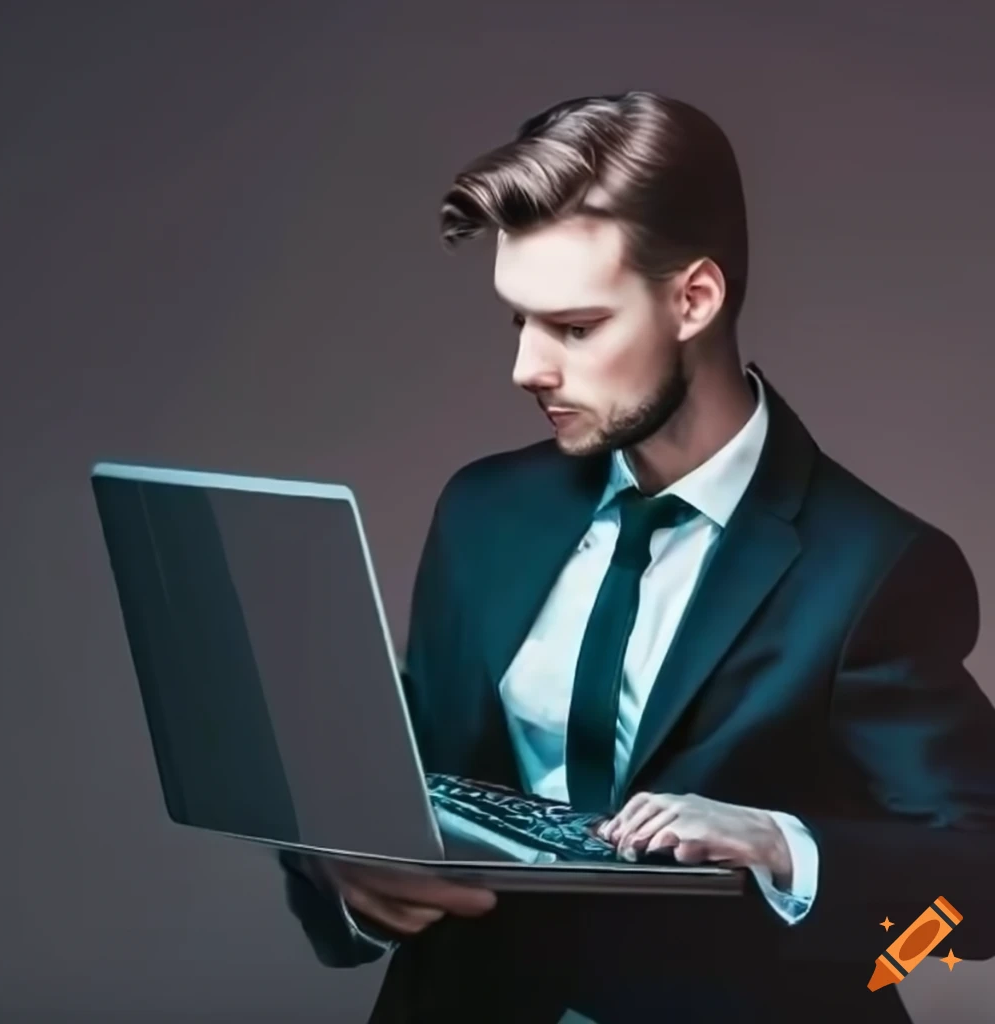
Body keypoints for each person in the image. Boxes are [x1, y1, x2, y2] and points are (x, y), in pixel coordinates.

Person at [278, 91, 995, 1023]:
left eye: (574, 328)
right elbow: (403, 780)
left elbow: (976, 888)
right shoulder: (483, 510)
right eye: (517, 323)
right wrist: (343, 871)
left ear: (694, 298)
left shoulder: (873, 567)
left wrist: (784, 846)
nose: (528, 368)